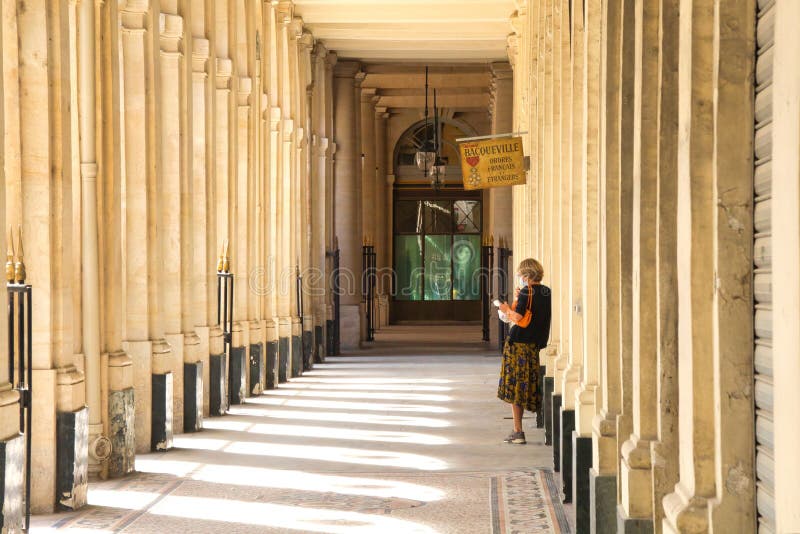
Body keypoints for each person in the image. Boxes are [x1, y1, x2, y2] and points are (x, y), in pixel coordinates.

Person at [495, 258, 551, 444]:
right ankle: (523, 429)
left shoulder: (527, 291)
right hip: (534, 344)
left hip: (518, 344)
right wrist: (521, 298)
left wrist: (504, 308)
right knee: (527, 384)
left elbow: (517, 317)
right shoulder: (546, 291)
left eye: (520, 274)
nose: (519, 277)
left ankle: (518, 431)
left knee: (515, 386)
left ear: (527, 275)